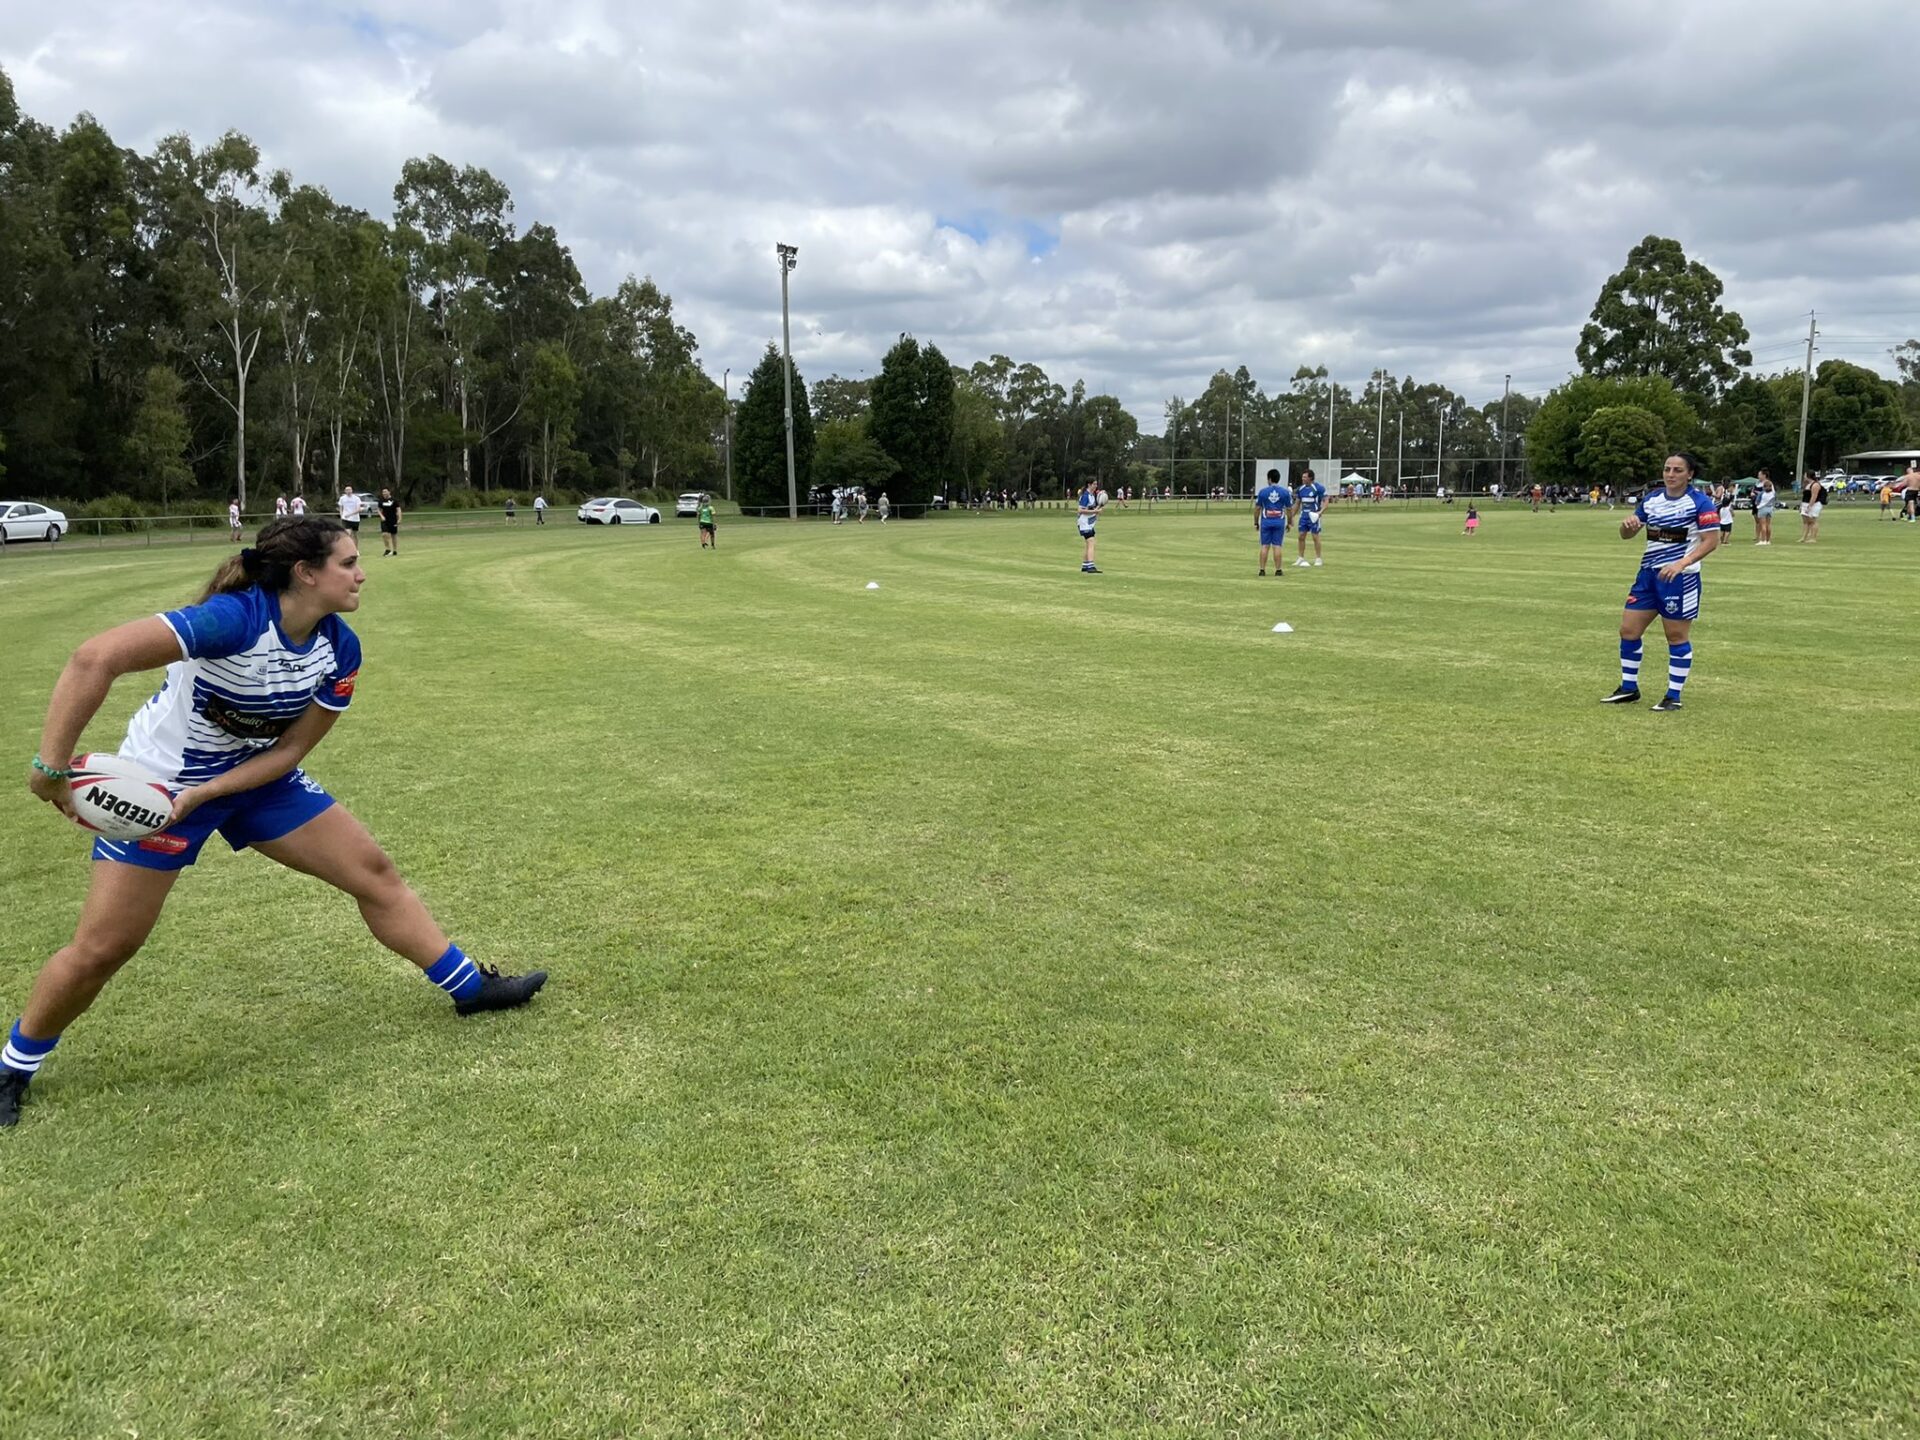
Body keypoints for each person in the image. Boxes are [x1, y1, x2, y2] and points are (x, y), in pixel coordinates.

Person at [2, 515, 546, 1128]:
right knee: (105, 946)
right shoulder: (232, 620)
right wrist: (49, 767)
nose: (362, 573)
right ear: (305, 573)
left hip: (255, 780)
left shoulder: (339, 648)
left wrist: (212, 791)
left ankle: (471, 990)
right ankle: (13, 1066)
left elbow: (287, 753)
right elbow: (93, 658)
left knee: (373, 873)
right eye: (347, 563)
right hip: (161, 787)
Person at [1600, 452, 1721, 713]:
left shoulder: (1700, 503)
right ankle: (1629, 688)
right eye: (1667, 469)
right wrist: (1628, 527)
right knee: (1628, 630)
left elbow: (1712, 541)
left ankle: (1673, 695)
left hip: (1680, 579)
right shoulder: (1652, 499)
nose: (1671, 474)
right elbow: (1626, 534)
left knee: (1676, 636)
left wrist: (1681, 564)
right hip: (1647, 576)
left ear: (1690, 474)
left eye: (1678, 470)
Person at [1253, 467, 1293, 577]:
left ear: (1269, 479)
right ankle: (1278, 570)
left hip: (1266, 521)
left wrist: (1256, 522)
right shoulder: (1285, 492)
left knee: (1265, 545)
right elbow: (1289, 509)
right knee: (1277, 545)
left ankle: (1262, 570)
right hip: (1279, 521)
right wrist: (1290, 522)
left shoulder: (1263, 492)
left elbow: (1257, 509)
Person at [1293, 467, 1326, 567]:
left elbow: (1326, 501)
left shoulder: (1318, 488)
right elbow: (1297, 504)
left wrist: (1320, 512)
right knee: (1301, 536)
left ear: (1310, 478)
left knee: (1315, 536)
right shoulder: (1301, 489)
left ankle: (1318, 558)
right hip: (1304, 516)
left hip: (1314, 516)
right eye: (1302, 477)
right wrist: (1291, 516)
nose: (1303, 479)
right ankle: (1300, 557)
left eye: (1305, 477)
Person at [1077, 479, 1104, 573]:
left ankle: (1085, 565)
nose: (1096, 486)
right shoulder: (1086, 496)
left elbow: (1090, 508)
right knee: (1091, 542)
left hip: (1089, 524)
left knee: (1088, 544)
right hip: (1084, 524)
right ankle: (1090, 566)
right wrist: (1096, 511)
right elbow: (1080, 510)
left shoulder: (1092, 496)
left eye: (1096, 484)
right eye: (1094, 484)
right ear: (1089, 485)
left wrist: (1098, 509)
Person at [1798, 470, 1827, 544]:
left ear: (1808, 476)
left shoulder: (1815, 484)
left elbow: (1814, 496)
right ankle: (1804, 537)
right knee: (1805, 522)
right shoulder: (1807, 484)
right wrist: (1802, 505)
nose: (1804, 477)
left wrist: (1810, 506)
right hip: (1805, 503)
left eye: (1805, 475)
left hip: (1814, 504)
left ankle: (1813, 538)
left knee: (1813, 521)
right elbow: (1805, 496)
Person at [1753, 469, 1776, 546]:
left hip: (1762, 509)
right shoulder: (1772, 494)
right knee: (1768, 524)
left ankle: (1763, 540)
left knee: (1762, 524)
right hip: (1770, 508)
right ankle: (1768, 540)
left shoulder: (1762, 493)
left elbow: (1757, 502)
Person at [376, 486, 401, 557]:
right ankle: (388, 549)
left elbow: (398, 509)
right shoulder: (381, 501)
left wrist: (399, 519)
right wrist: (381, 516)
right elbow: (378, 510)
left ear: (389, 492)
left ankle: (395, 550)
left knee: (394, 535)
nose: (384, 493)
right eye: (383, 492)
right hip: (384, 520)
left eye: (385, 491)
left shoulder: (394, 500)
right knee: (384, 534)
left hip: (393, 520)